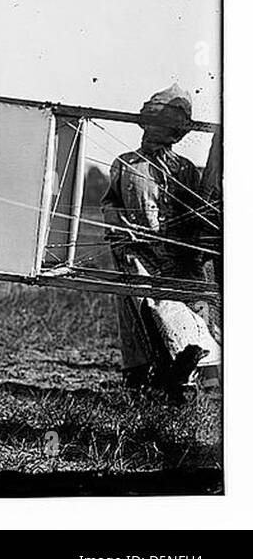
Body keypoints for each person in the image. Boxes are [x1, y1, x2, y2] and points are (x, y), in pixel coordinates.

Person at [101, 84, 220, 402]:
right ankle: (143, 376)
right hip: (136, 253)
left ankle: (194, 372)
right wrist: (118, 222)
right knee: (142, 311)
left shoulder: (184, 170)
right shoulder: (125, 163)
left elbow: (196, 216)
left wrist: (191, 248)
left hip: (175, 254)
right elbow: (110, 201)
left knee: (184, 309)